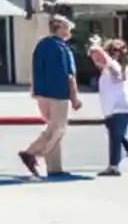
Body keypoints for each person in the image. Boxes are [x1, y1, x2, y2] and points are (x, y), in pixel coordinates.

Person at [18, 15, 83, 177]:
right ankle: (30, 152)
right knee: (57, 128)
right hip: (58, 93)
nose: (69, 33)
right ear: (60, 28)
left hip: (42, 94)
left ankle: (55, 167)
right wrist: (75, 97)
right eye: (68, 29)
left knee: (53, 128)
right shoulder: (62, 48)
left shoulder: (42, 45)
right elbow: (69, 75)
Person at [90, 37, 128, 177]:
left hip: (119, 107)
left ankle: (118, 165)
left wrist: (96, 45)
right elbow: (97, 59)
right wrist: (96, 49)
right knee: (117, 137)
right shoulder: (113, 67)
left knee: (116, 137)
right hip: (113, 107)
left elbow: (100, 57)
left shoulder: (115, 66)